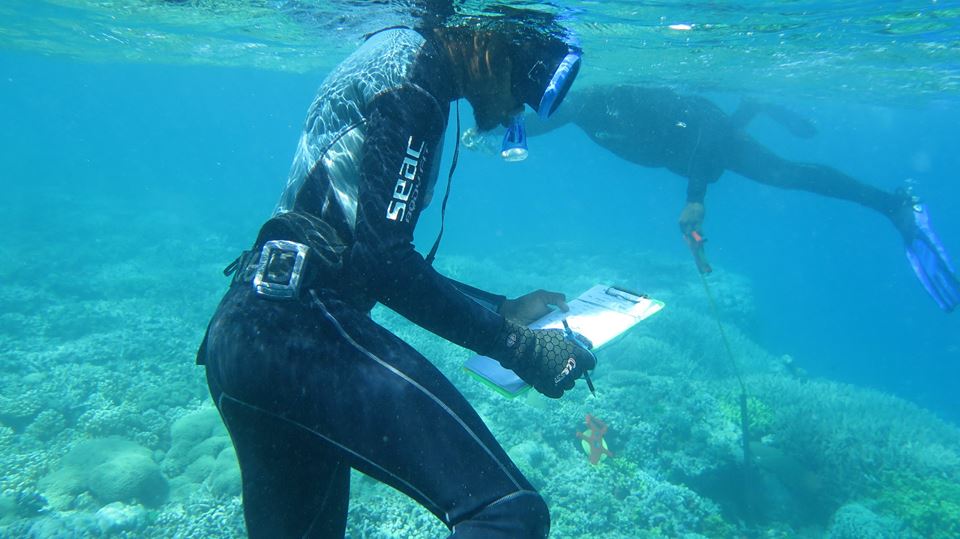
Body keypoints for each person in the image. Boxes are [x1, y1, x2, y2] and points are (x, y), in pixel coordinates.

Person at [195, 11, 596, 539]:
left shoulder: (392, 52)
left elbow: (367, 252)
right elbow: (384, 264)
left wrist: (500, 309)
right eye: (526, 87)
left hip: (248, 336)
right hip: (302, 332)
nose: (519, 109)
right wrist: (521, 348)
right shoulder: (418, 81)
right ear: (491, 45)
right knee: (508, 512)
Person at [503, 84, 959, 312]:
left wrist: (696, 197)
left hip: (710, 137)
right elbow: (533, 126)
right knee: (774, 174)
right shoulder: (576, 111)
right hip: (688, 156)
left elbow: (703, 120)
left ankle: (894, 205)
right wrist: (492, 129)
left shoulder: (612, 100)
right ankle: (755, 105)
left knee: (783, 174)